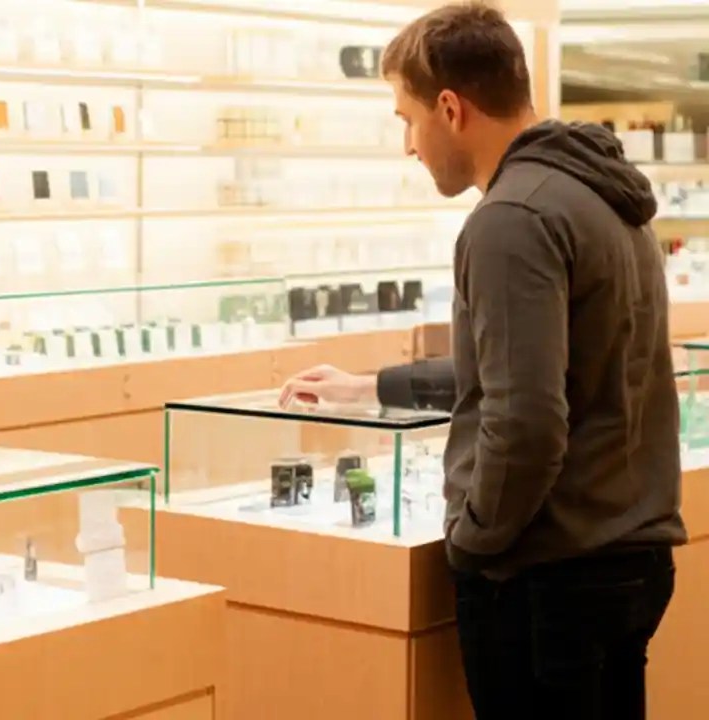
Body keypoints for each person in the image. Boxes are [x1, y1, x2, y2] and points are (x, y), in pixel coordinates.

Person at [278, 3, 685, 718]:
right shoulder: (602, 194)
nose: (409, 144)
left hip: (547, 579)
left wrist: (472, 542)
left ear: (450, 107)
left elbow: (526, 420)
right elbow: (538, 368)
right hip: (627, 560)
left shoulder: (510, 219)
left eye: (406, 118)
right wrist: (370, 385)